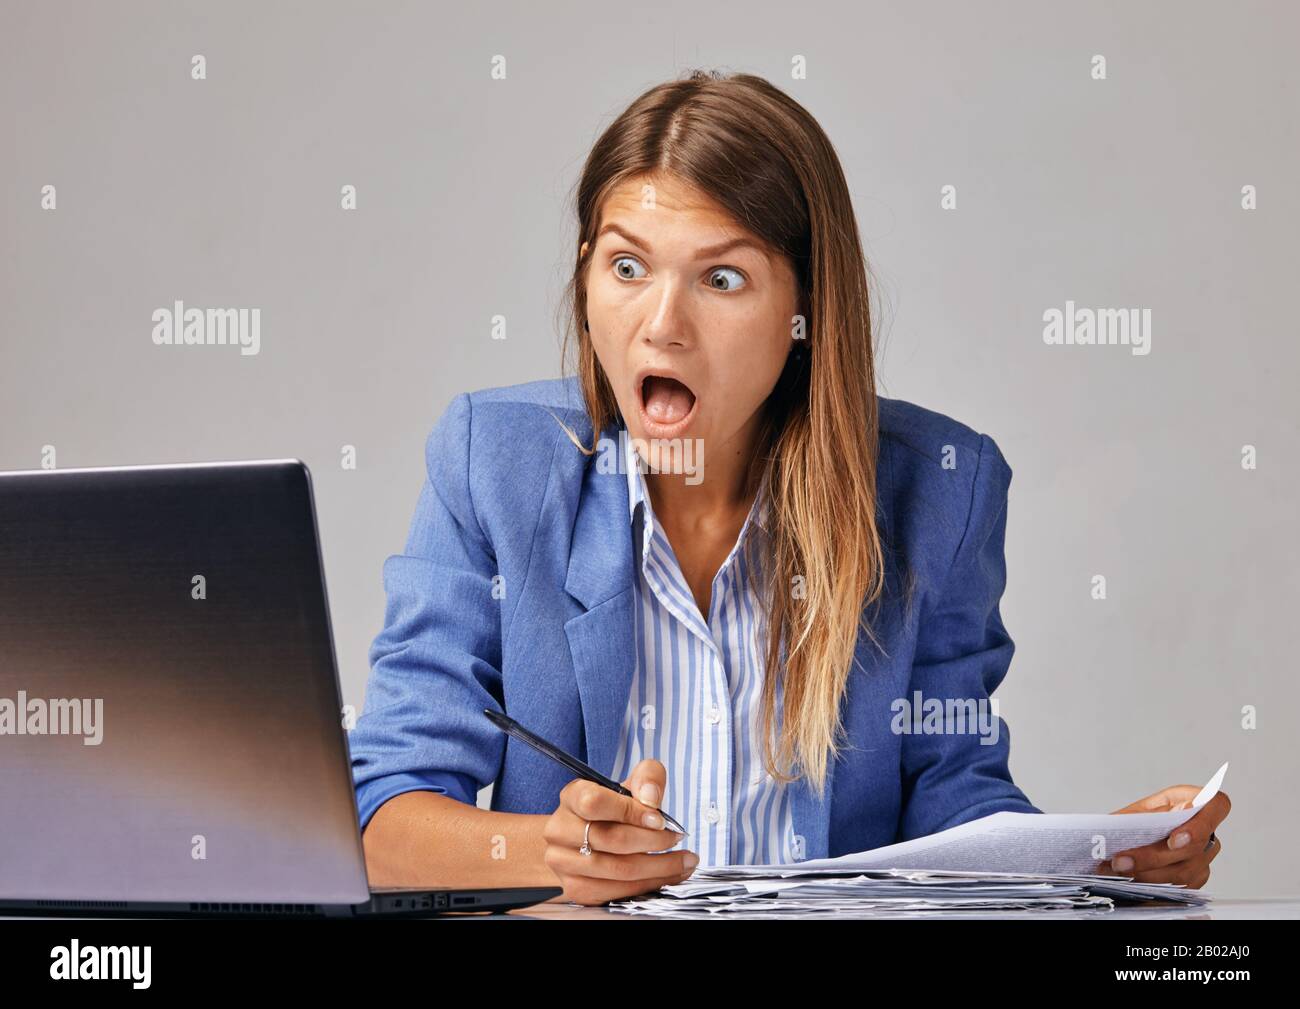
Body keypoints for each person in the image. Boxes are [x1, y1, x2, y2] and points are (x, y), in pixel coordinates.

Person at [350, 70, 1229, 906]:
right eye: (627, 267)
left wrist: (1089, 859)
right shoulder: (492, 463)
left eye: (721, 278)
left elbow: (952, 798)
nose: (662, 325)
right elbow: (381, 816)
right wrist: (546, 848)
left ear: (804, 311)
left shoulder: (941, 493)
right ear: (585, 280)